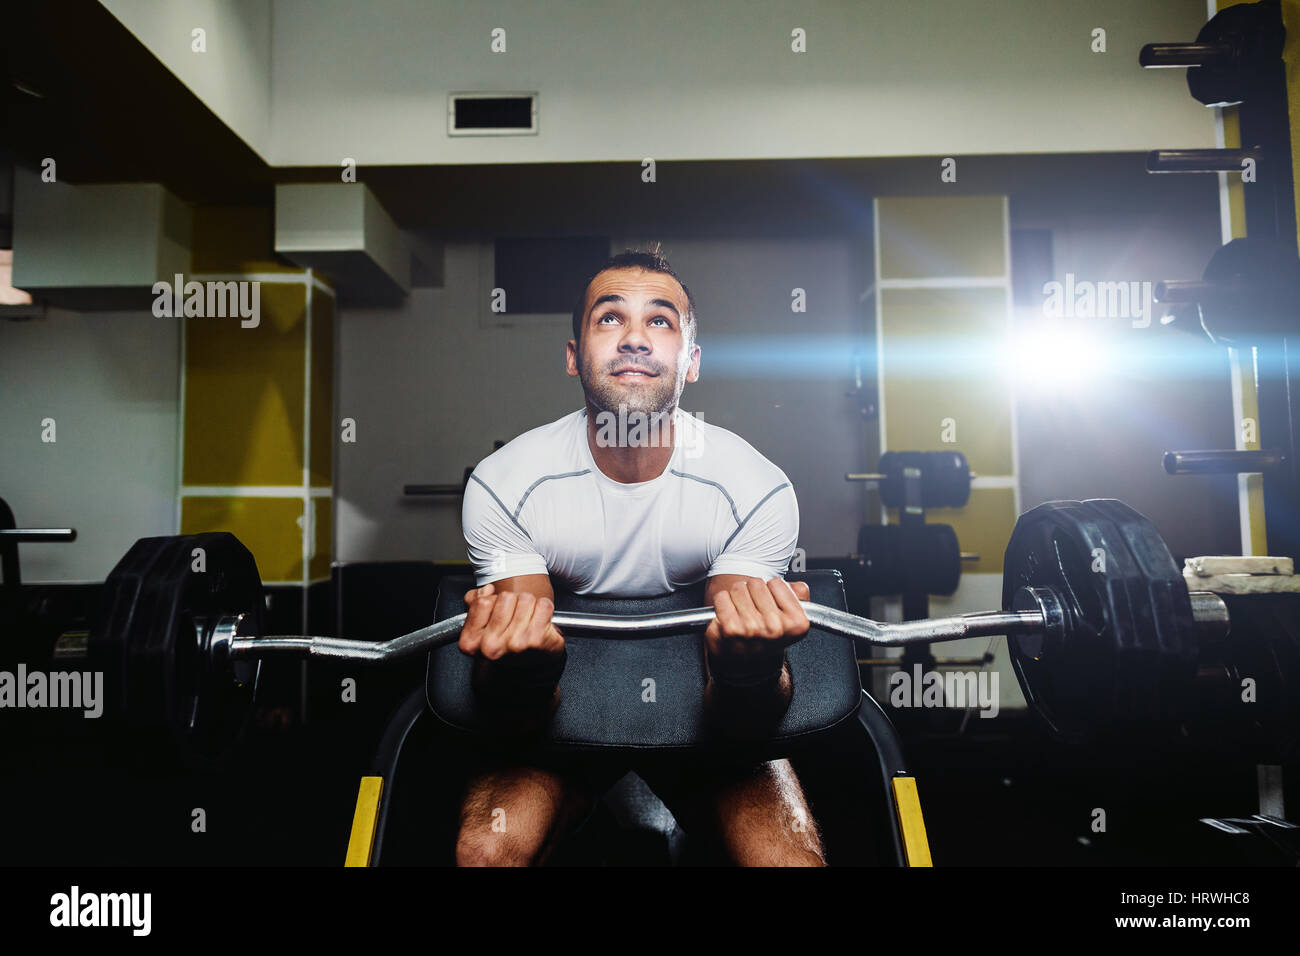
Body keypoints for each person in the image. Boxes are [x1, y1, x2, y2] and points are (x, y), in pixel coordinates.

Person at [455, 246, 824, 866]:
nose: (634, 339)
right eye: (608, 318)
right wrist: (525, 668)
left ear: (692, 362)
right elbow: (515, 715)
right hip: (558, 732)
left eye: (660, 321)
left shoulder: (754, 489)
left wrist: (750, 667)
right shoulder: (505, 484)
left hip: (711, 736)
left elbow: (742, 722)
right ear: (574, 357)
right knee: (484, 852)